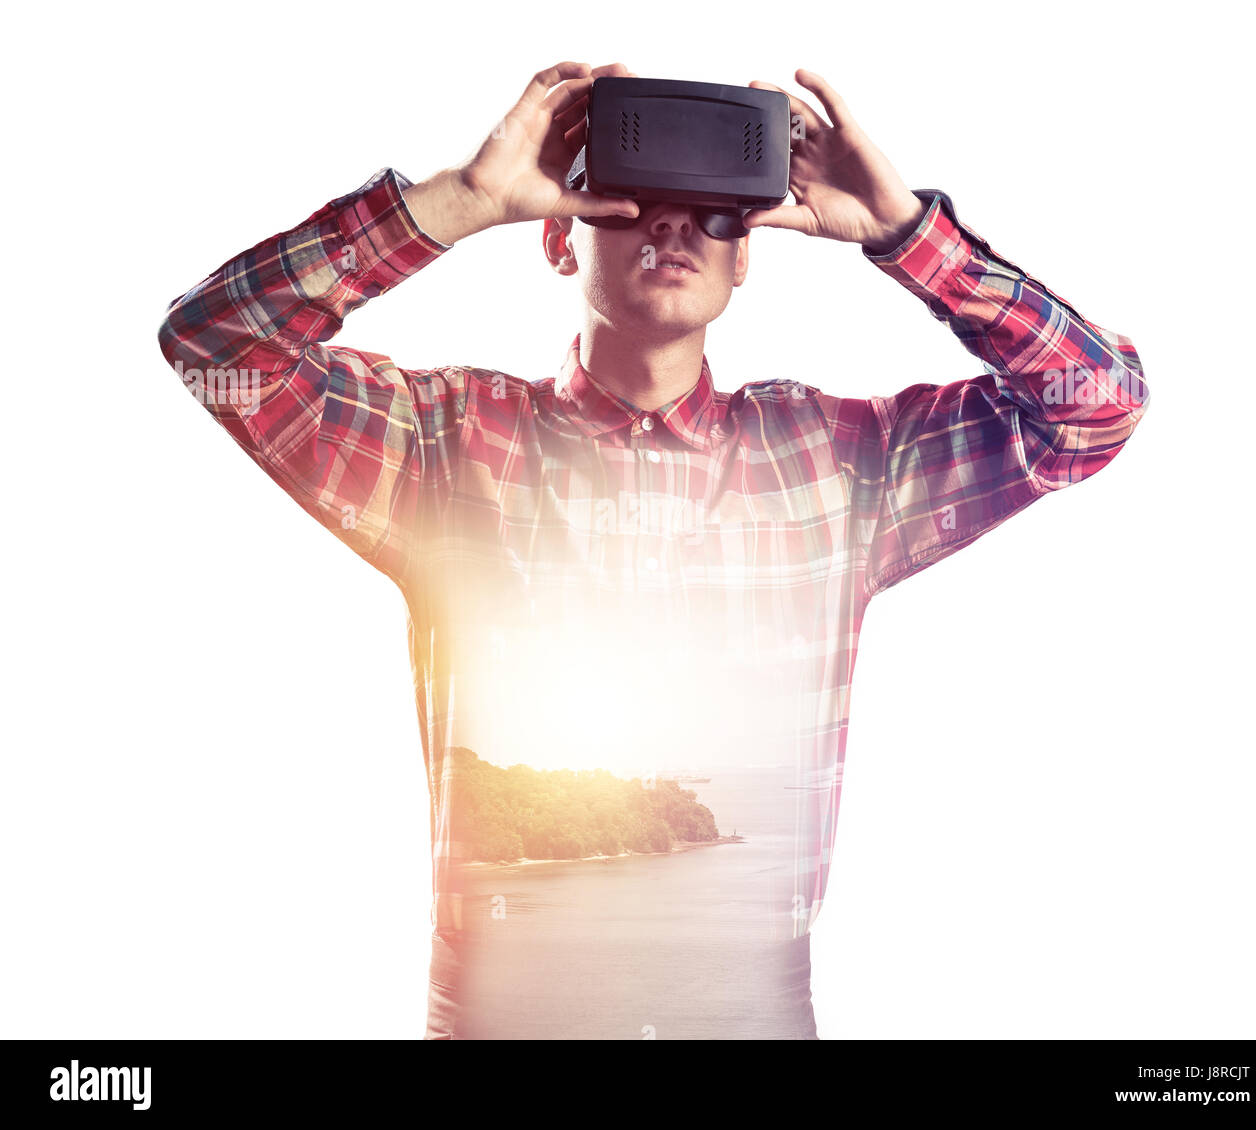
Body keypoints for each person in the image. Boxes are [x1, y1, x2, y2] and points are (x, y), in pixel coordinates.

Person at [157, 61, 1148, 1039]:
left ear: (746, 252)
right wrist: (456, 202)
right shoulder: (443, 444)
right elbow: (216, 348)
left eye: (717, 209)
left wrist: (910, 238)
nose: (675, 226)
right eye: (631, 200)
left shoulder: (837, 466)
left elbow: (1095, 407)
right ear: (560, 235)